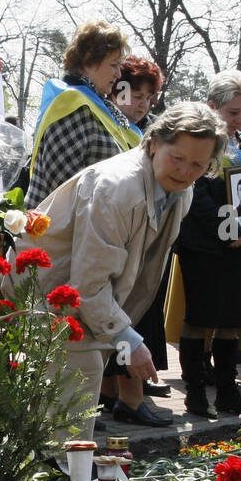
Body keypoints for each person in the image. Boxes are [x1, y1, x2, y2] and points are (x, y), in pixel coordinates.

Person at [13, 103, 228, 440]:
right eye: (178, 158)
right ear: (155, 142)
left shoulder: (181, 191)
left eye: (199, 164)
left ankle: (61, 470)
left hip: (80, 299)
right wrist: (127, 339)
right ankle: (64, 477)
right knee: (77, 385)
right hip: (46, 290)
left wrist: (121, 334)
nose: (186, 171)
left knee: (66, 397)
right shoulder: (117, 189)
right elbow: (89, 283)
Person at [175, 70, 241, 418]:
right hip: (204, 245)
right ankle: (196, 394)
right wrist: (230, 226)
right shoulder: (197, 141)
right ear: (212, 106)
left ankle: (229, 392)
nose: (240, 120)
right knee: (200, 320)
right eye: (233, 113)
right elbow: (194, 193)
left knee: (232, 321)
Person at [106, 54, 173, 419]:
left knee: (134, 312)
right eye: (133, 92)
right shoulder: (106, 123)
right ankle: (127, 398)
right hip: (113, 233)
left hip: (143, 237)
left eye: (149, 96)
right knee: (117, 313)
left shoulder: (145, 132)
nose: (141, 102)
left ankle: (123, 392)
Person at [24, 20, 139, 209]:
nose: (119, 74)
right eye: (114, 64)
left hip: (93, 230)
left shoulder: (100, 105)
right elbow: (64, 189)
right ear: (89, 61)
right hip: (61, 233)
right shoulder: (71, 104)